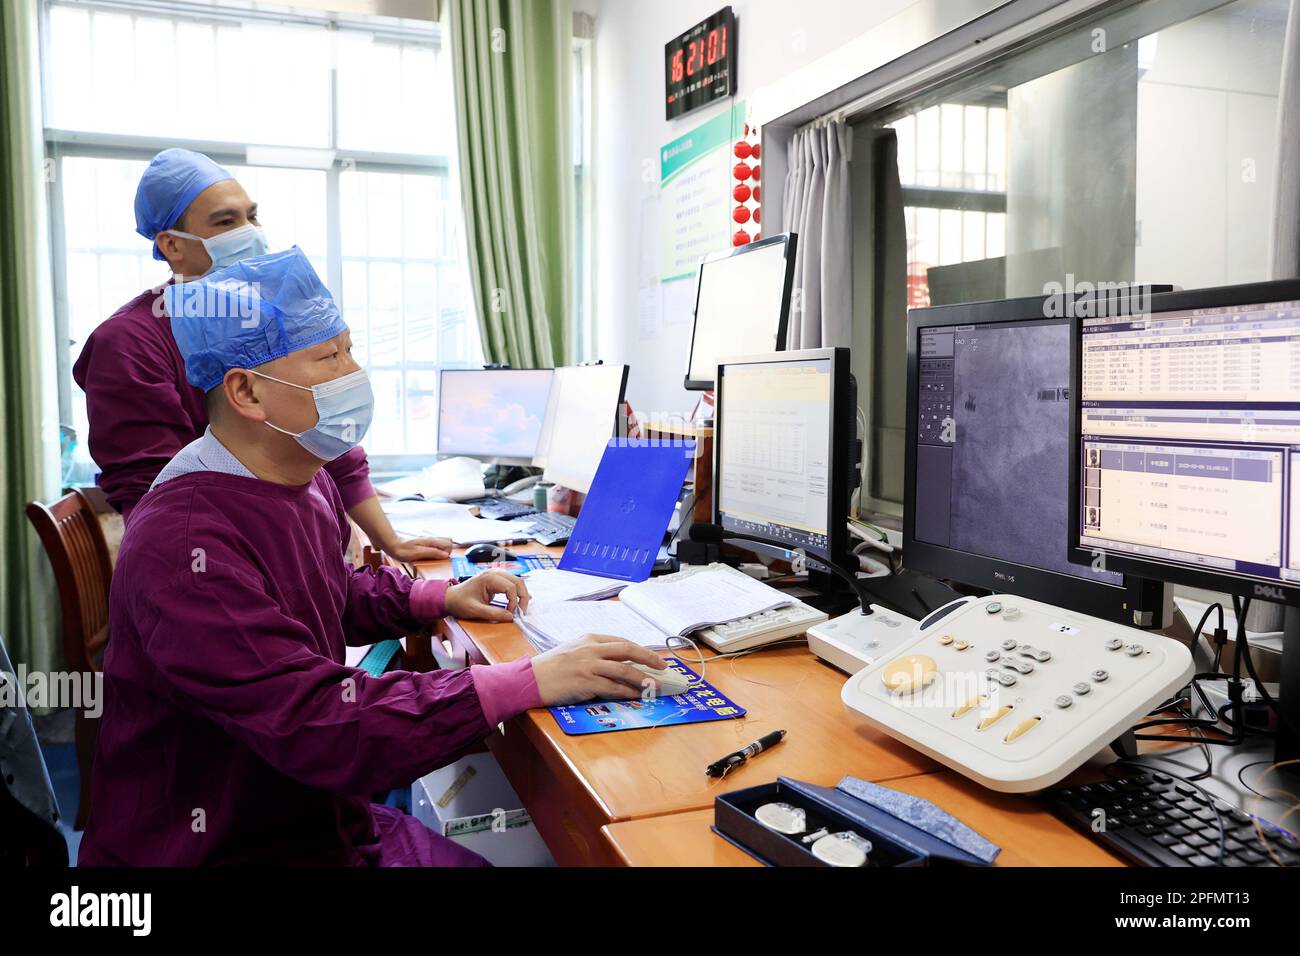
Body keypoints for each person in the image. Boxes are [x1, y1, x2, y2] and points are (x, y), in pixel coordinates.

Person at [78, 247, 667, 866]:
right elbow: (316, 722)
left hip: (315, 816)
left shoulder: (298, 482)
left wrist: (436, 596)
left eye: (350, 348)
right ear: (247, 390)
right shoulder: (184, 541)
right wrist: (531, 678)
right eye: (329, 356)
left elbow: (322, 594)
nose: (354, 372)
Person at [72, 148, 448, 562]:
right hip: (211, 557)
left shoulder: (268, 316)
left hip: (288, 540)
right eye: (226, 222)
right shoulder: (128, 343)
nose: (250, 232)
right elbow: (154, 492)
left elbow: (328, 435)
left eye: (252, 216)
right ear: (172, 245)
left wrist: (386, 540)